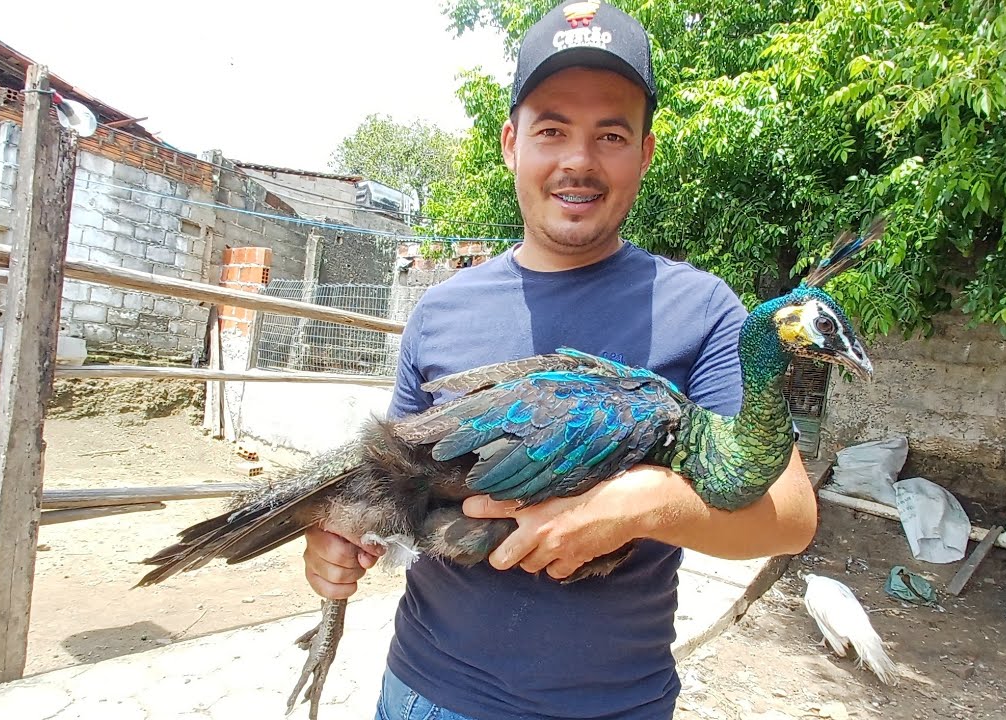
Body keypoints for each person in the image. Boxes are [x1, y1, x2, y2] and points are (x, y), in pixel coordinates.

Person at [302, 2, 818, 718]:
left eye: (611, 134)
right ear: (511, 143)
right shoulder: (441, 308)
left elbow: (789, 518)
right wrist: (336, 537)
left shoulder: (703, 310)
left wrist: (645, 504)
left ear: (645, 153)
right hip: (429, 691)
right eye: (552, 130)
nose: (579, 160)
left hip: (612, 704)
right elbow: (393, 481)